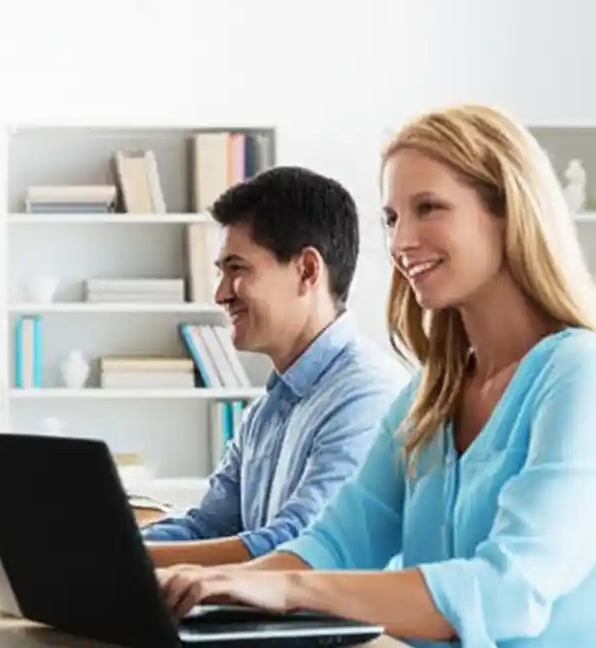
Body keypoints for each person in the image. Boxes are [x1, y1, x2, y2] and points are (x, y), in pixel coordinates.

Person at [160, 105, 596, 646]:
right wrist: (201, 582)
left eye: (429, 208)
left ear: (509, 213)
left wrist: (294, 588)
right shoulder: (427, 396)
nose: (401, 242)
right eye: (392, 219)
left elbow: (509, 592)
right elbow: (334, 547)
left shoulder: (580, 374)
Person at [143, 166, 408, 567]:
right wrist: (114, 543)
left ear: (307, 270)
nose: (220, 294)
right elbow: (208, 527)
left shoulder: (369, 395)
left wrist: (120, 557)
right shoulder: (266, 411)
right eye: (221, 272)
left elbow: (296, 547)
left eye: (237, 270)